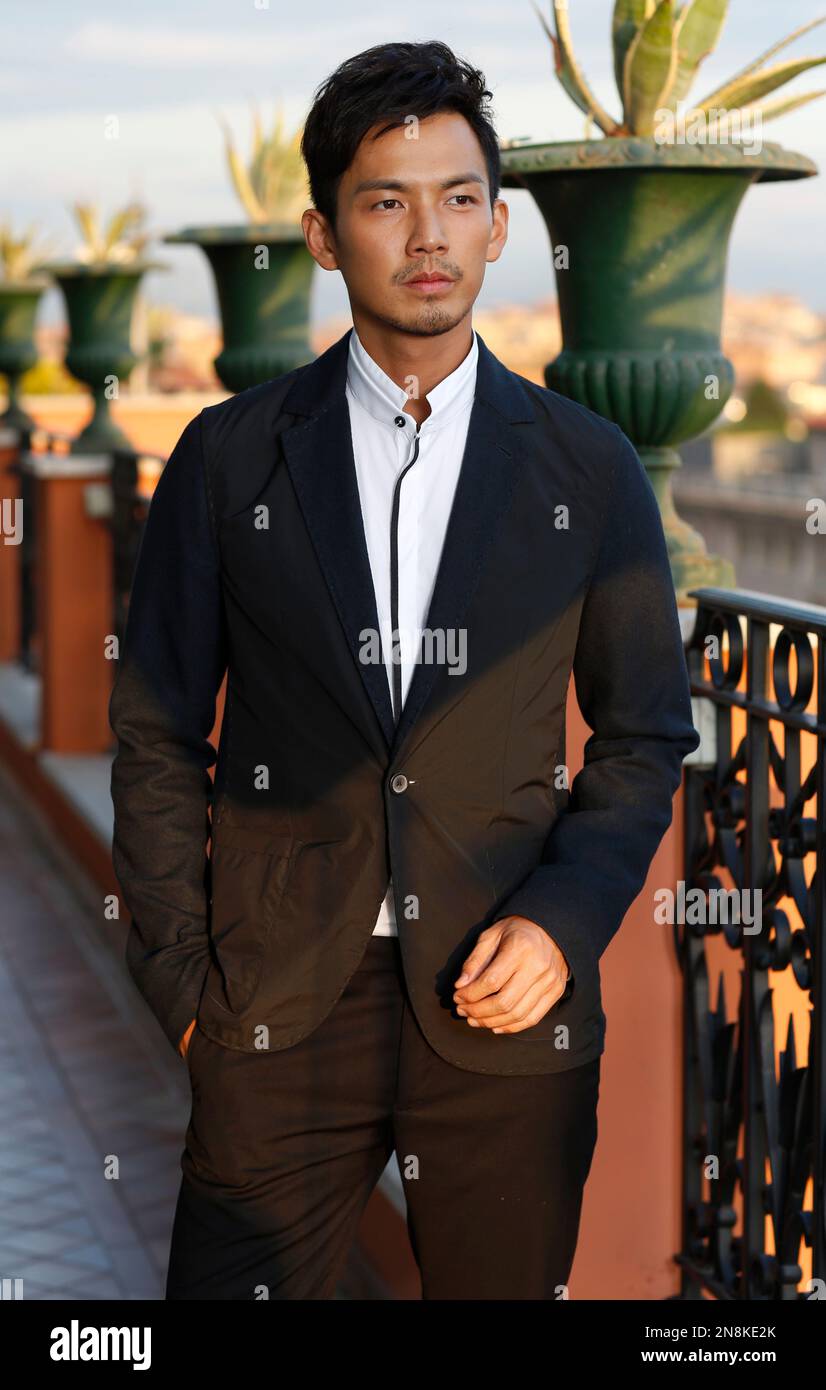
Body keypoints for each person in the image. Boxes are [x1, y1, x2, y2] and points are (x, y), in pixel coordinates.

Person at [109, 39, 701, 1300]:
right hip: (274, 1009)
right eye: (386, 201)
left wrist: (563, 921)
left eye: (459, 199)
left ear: (498, 230)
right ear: (324, 236)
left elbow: (645, 733)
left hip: (503, 1005)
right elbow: (156, 729)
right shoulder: (226, 462)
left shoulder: (589, 471)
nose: (427, 234)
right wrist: (180, 988)